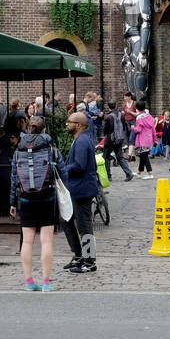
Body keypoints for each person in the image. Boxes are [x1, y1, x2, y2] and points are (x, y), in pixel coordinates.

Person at [10, 115, 61, 291]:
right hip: (47, 197)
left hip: (25, 198)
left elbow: (14, 178)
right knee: (46, 241)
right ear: (44, 130)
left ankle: (29, 281)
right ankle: (46, 281)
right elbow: (62, 173)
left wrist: (12, 203)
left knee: (27, 241)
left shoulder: (18, 151)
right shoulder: (51, 150)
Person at [59, 111, 100, 273]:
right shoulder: (80, 139)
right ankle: (78, 256)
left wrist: (61, 169)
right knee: (66, 220)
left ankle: (89, 261)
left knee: (84, 226)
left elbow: (79, 166)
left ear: (79, 125)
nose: (67, 124)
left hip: (82, 189)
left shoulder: (82, 141)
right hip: (76, 188)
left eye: (70, 122)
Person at [101, 101, 135, 182]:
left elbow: (105, 129)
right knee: (120, 157)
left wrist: (106, 135)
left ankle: (108, 175)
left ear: (108, 106)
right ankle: (129, 173)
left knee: (106, 157)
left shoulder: (108, 117)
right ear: (116, 105)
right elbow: (124, 126)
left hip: (110, 140)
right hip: (119, 138)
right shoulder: (121, 115)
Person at [132, 105, 157, 179]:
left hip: (142, 140)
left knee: (145, 156)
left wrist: (133, 128)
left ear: (137, 109)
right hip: (149, 139)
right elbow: (153, 129)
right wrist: (155, 139)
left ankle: (150, 173)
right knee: (143, 156)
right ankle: (139, 172)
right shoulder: (149, 116)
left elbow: (138, 130)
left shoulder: (139, 118)